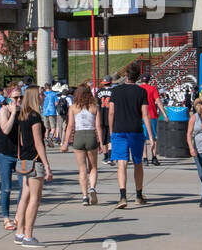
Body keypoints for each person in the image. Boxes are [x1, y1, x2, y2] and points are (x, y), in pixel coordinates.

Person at [12, 85, 53, 247]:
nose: (43, 96)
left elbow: (22, 141)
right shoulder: (35, 117)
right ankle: (28, 236)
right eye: (41, 94)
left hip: (24, 159)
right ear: (35, 97)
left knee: (25, 196)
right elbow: (38, 143)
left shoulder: (23, 116)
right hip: (35, 161)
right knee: (35, 199)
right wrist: (47, 165)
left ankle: (20, 232)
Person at [108, 62, 154, 208]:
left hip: (119, 130)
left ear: (126, 75)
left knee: (121, 163)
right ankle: (139, 195)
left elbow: (111, 112)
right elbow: (145, 114)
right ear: (138, 76)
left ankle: (122, 197)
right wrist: (151, 137)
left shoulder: (116, 91)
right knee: (137, 162)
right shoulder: (141, 92)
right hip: (135, 130)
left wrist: (111, 131)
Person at [61, 84, 103, 206]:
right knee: (93, 167)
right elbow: (98, 127)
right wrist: (101, 142)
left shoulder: (73, 108)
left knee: (82, 169)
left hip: (78, 136)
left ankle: (84, 196)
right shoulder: (94, 107)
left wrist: (65, 143)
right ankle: (92, 188)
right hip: (91, 135)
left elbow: (70, 126)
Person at [0, 85, 22, 230]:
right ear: (8, 98)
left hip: (19, 153)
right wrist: (12, 114)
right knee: (6, 188)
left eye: (20, 97)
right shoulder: (3, 111)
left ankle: (19, 215)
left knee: (24, 187)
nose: (18, 100)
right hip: (5, 153)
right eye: (15, 97)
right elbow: (5, 129)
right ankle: (6, 218)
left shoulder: (22, 112)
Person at [141, 74, 162, 166]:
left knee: (143, 138)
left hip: (141, 115)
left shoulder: (139, 89)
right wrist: (164, 113)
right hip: (152, 115)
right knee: (153, 137)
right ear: (149, 80)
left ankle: (145, 158)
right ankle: (154, 157)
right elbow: (158, 101)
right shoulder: (153, 89)